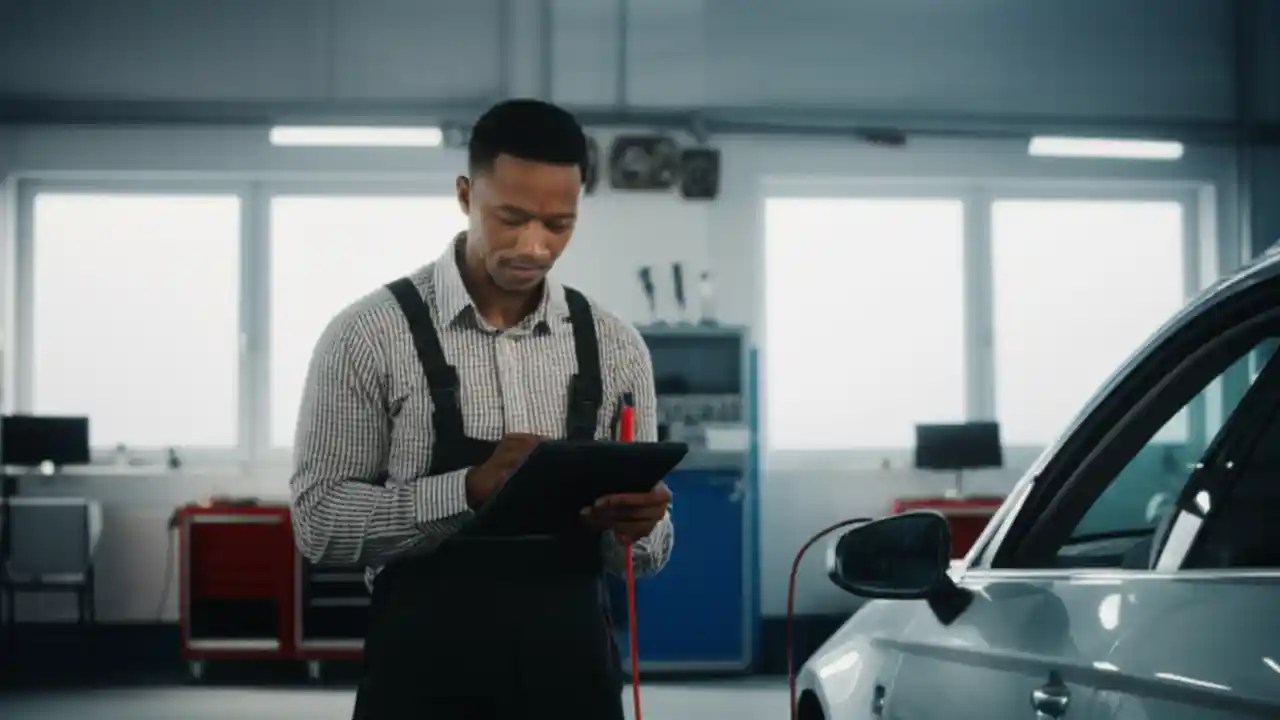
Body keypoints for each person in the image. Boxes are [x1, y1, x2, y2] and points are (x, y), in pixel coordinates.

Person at [289, 99, 673, 718]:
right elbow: (318, 524)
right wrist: (467, 489)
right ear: (466, 195)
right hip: (423, 681)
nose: (535, 247)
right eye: (512, 218)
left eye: (559, 224)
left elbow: (647, 558)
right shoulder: (368, 336)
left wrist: (641, 526)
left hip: (573, 678)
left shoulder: (615, 347)